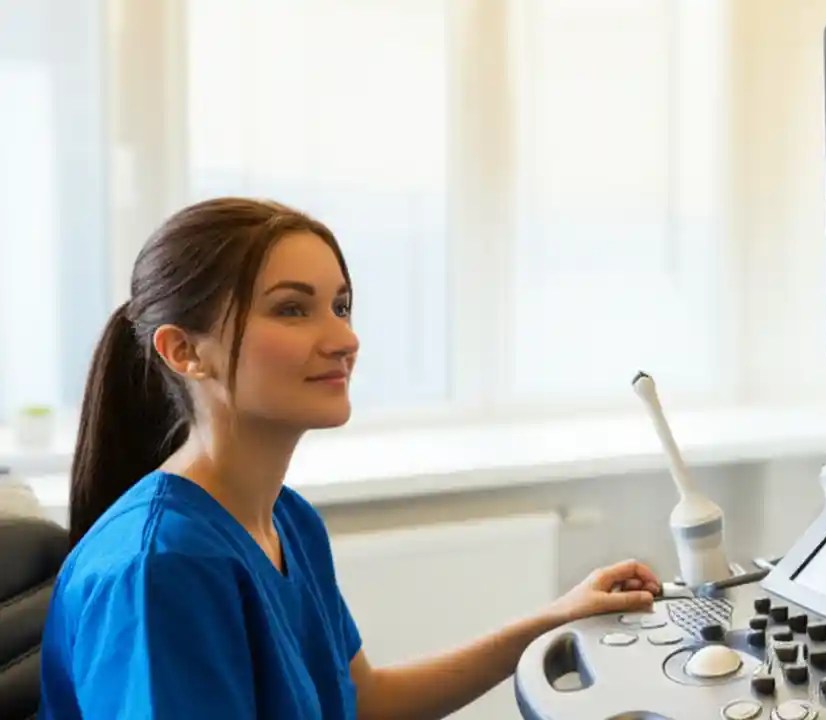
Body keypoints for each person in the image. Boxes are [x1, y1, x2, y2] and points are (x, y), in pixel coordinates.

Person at [39, 197, 662, 719]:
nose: (344, 340)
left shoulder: (287, 519)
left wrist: (555, 619)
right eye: (291, 309)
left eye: (340, 306)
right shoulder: (160, 569)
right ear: (183, 352)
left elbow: (361, 701)